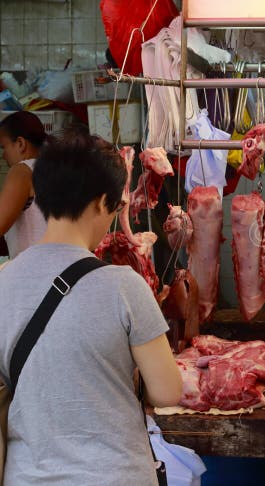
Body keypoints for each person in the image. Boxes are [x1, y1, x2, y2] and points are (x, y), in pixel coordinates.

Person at [0, 134, 182, 485]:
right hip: (114, 474)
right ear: (101, 204)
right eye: (116, 209)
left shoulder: (3, 282)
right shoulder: (123, 285)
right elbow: (167, 392)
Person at [0, 112, 49, 259]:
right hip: (61, 271)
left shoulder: (23, 170)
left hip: (34, 270)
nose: (3, 155)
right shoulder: (55, 168)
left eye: (4, 147)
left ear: (20, 144)